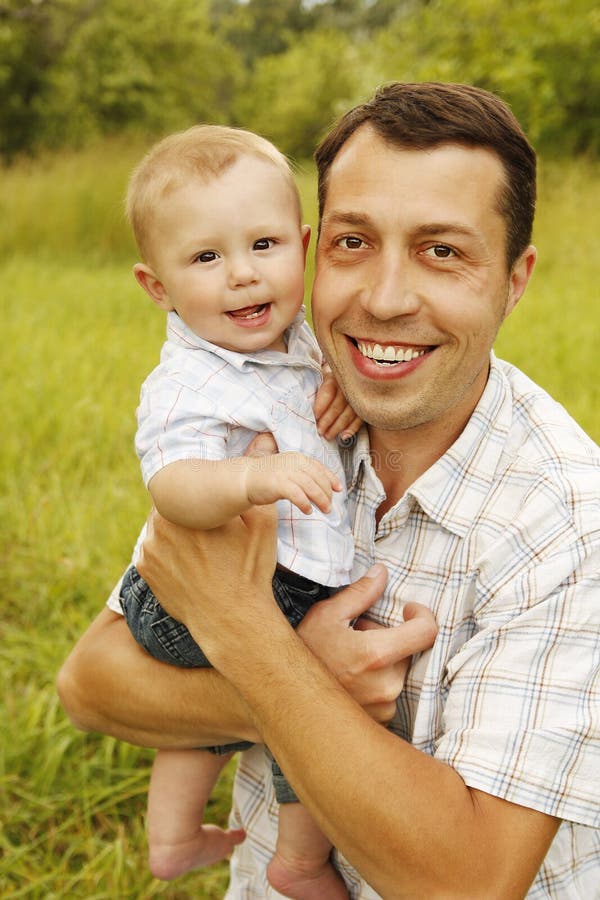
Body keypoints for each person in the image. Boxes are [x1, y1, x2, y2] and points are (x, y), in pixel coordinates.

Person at [57, 82, 600, 899]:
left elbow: (470, 882)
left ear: (515, 279)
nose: (383, 299)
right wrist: (301, 681)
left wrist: (250, 641)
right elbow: (92, 681)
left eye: (442, 251)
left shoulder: (566, 521)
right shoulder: (279, 414)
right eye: (353, 243)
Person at [107, 124, 363, 896]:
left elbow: (321, 393)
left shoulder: (300, 342)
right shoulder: (190, 382)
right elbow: (173, 486)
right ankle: (299, 856)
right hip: (195, 595)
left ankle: (175, 839)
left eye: (264, 245)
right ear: (159, 287)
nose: (244, 277)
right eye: (207, 257)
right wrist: (251, 481)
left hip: (249, 586)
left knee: (219, 711)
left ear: (304, 244)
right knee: (307, 689)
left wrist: (345, 390)